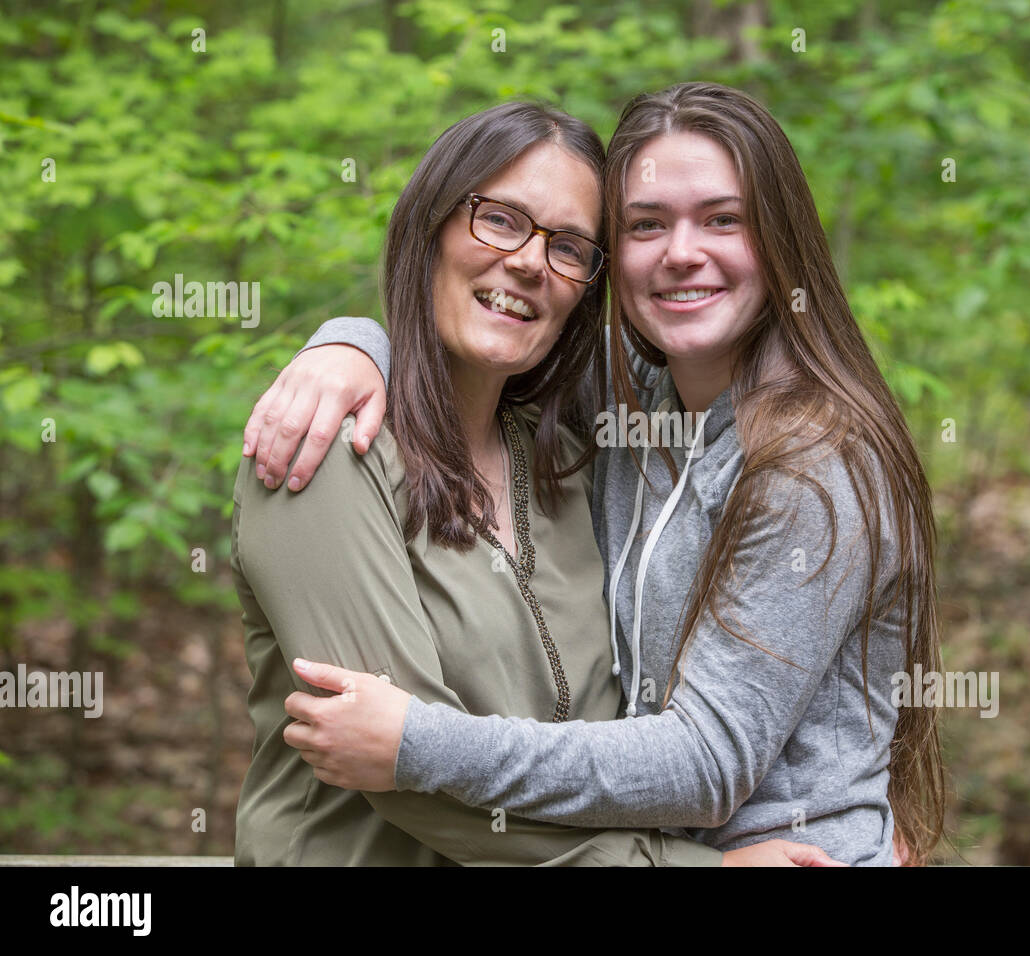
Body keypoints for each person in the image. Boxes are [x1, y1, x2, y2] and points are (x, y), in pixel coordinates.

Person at [246, 83, 947, 866]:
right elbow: (478, 344)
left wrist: (417, 743)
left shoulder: (813, 466)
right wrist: (347, 345)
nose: (682, 251)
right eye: (647, 224)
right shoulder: (616, 408)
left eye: (724, 218)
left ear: (781, 239)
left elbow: (705, 764)